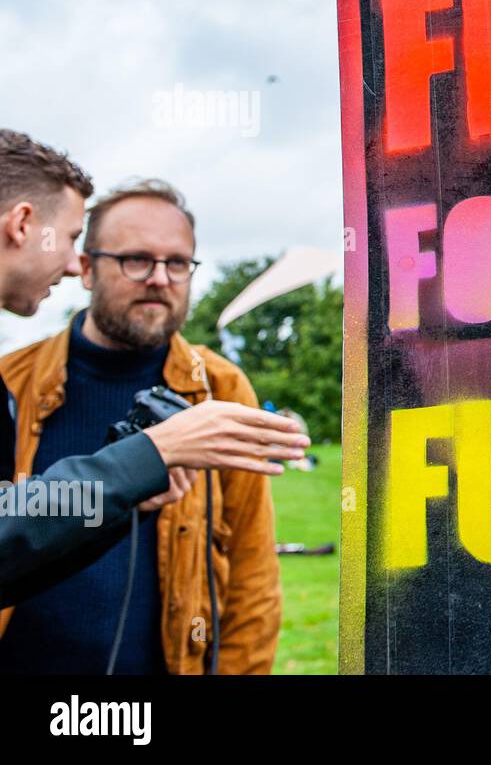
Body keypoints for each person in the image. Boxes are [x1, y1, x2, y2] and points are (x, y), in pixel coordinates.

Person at [0, 130, 309, 610]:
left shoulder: (221, 388)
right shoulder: (11, 377)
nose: (161, 278)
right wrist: (151, 455)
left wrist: (123, 503)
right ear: (86, 268)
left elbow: (253, 579)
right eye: (137, 260)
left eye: (179, 263)